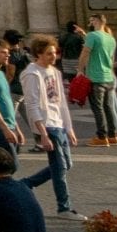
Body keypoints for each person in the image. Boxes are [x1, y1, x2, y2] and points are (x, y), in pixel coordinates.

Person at [20, 34, 84, 220]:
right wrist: (43, 133)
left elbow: (61, 102)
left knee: (65, 165)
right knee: (60, 167)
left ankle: (26, 183)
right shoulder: (32, 74)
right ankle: (64, 207)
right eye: (49, 53)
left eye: (55, 52)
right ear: (38, 54)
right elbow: (32, 105)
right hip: (47, 124)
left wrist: (69, 127)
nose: (53, 56)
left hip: (58, 123)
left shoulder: (55, 72)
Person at [80, 15, 117, 145]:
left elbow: (85, 52)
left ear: (97, 21)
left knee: (98, 108)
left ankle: (101, 137)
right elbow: (111, 59)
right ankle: (112, 135)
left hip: (95, 76)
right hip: (108, 76)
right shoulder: (111, 38)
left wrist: (80, 69)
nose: (90, 23)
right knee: (108, 107)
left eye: (92, 20)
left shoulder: (92, 36)